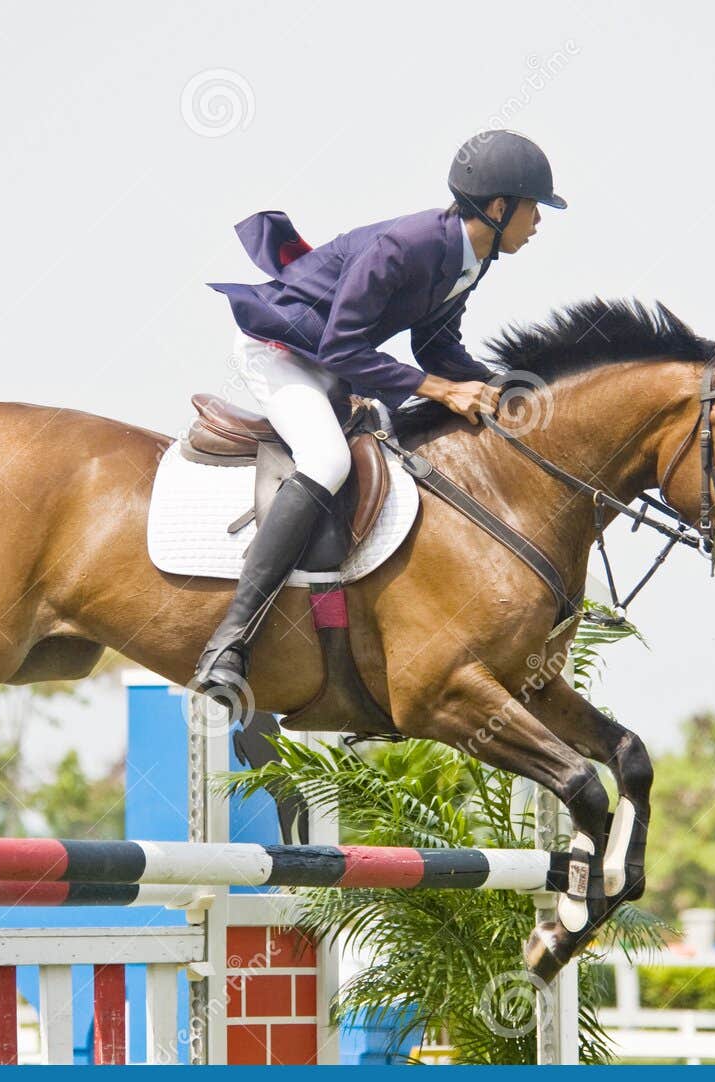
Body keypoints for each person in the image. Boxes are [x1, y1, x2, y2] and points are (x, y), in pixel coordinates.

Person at [192, 129, 567, 697]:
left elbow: (434, 347)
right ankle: (229, 641)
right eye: (533, 208)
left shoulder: (471, 257)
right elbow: (344, 348)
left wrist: (502, 388)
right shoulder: (406, 245)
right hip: (284, 353)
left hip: (333, 360)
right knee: (326, 459)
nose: (538, 222)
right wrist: (442, 391)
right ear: (498, 208)